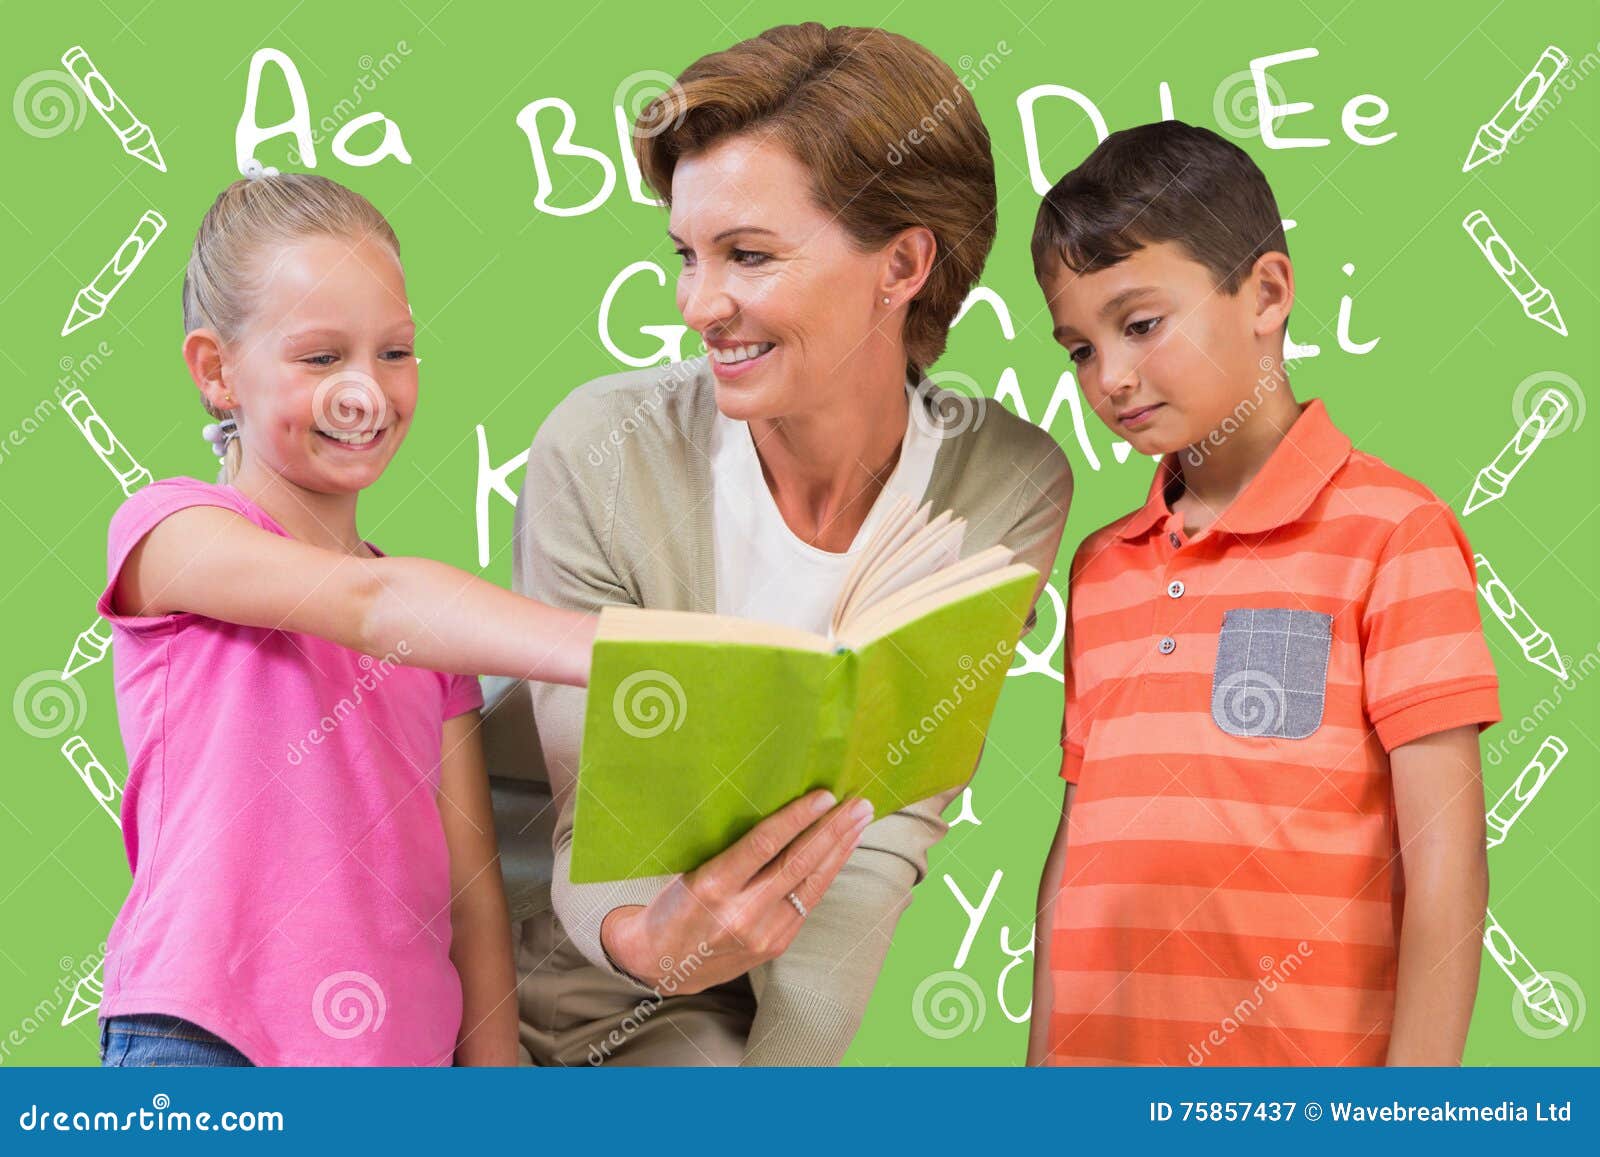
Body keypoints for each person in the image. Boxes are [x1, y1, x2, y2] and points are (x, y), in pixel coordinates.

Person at [483, 22, 1073, 1065]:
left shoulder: (1009, 484)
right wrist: (655, 947)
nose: (698, 305)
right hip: (537, 945)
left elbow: (884, 829)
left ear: (902, 263)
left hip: (750, 992)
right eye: (687, 255)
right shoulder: (602, 450)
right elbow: (594, 819)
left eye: (747, 255)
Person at [96, 169, 596, 1067]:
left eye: (394, 352)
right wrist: (630, 652)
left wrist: (498, 1076)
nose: (366, 391)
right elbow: (370, 607)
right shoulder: (169, 535)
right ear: (216, 372)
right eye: (322, 357)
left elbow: (474, 891)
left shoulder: (435, 638)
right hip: (211, 1044)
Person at [1027, 120, 1500, 1066]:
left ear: (1267, 293)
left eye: (1141, 324)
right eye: (1079, 349)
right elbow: (1080, 842)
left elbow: (1446, 866)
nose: (1110, 377)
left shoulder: (1392, 533)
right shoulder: (1102, 564)